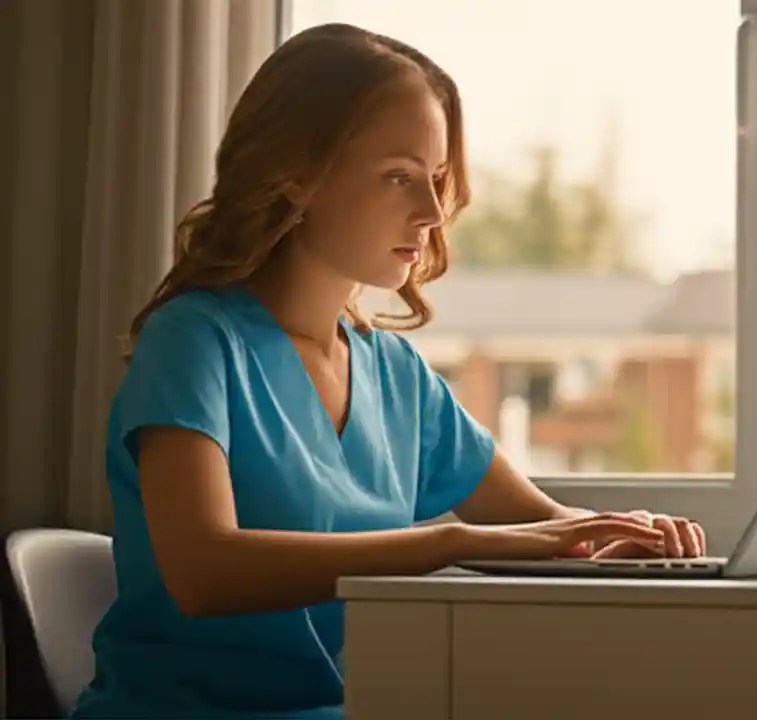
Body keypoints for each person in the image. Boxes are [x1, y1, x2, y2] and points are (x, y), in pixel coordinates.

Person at [70, 23, 705, 719]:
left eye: (436, 182)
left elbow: (541, 525)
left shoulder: (395, 375)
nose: (433, 213)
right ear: (296, 176)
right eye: (400, 177)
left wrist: (618, 535)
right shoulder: (192, 342)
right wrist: (448, 543)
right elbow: (203, 572)